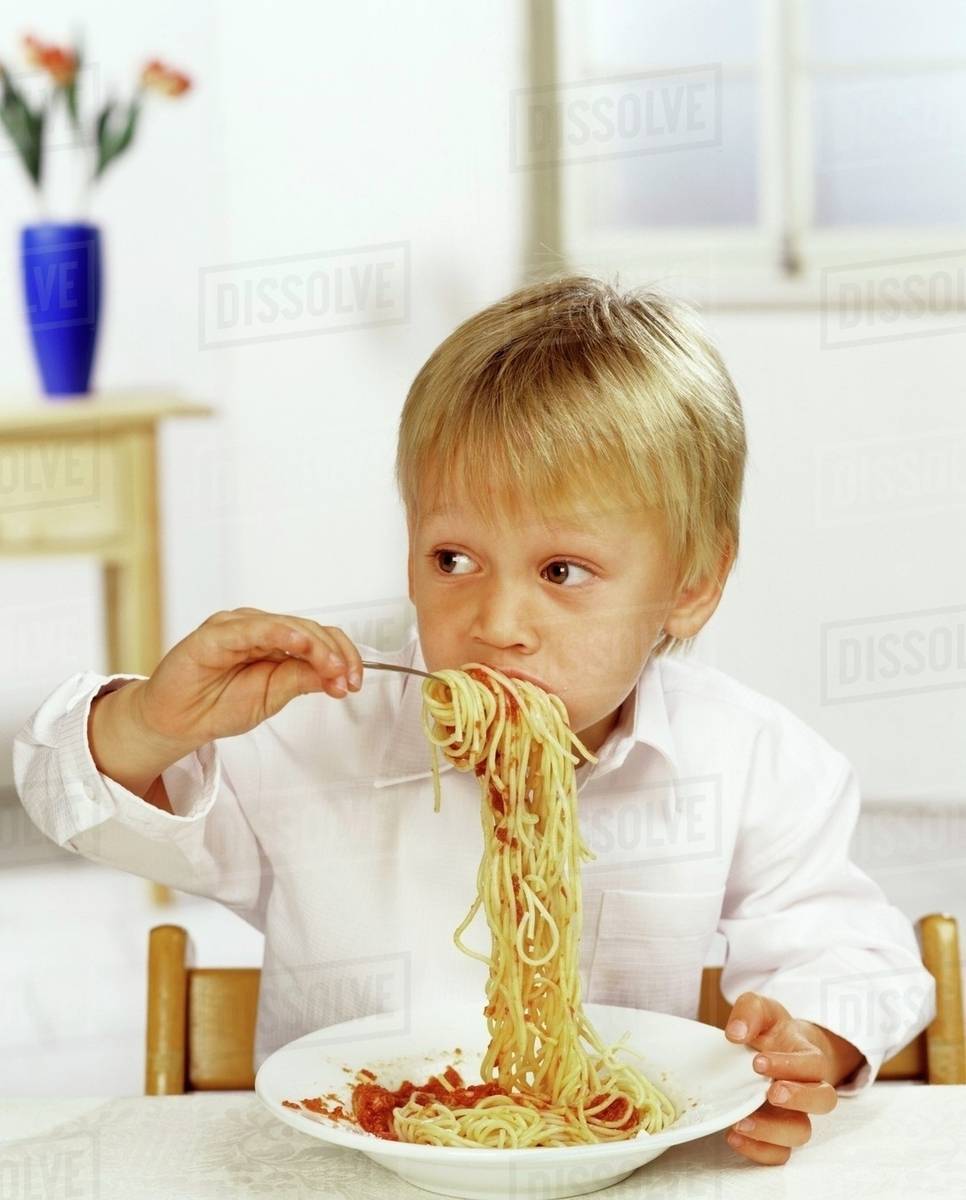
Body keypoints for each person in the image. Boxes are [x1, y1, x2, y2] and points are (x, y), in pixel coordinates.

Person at [14, 275, 935, 1166]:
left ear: (690, 586)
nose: (495, 625)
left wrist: (812, 1036)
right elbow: (71, 798)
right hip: (339, 1168)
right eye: (453, 558)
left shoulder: (748, 757)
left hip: (601, 1162)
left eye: (562, 572)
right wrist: (149, 723)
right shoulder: (316, 726)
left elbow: (853, 948)